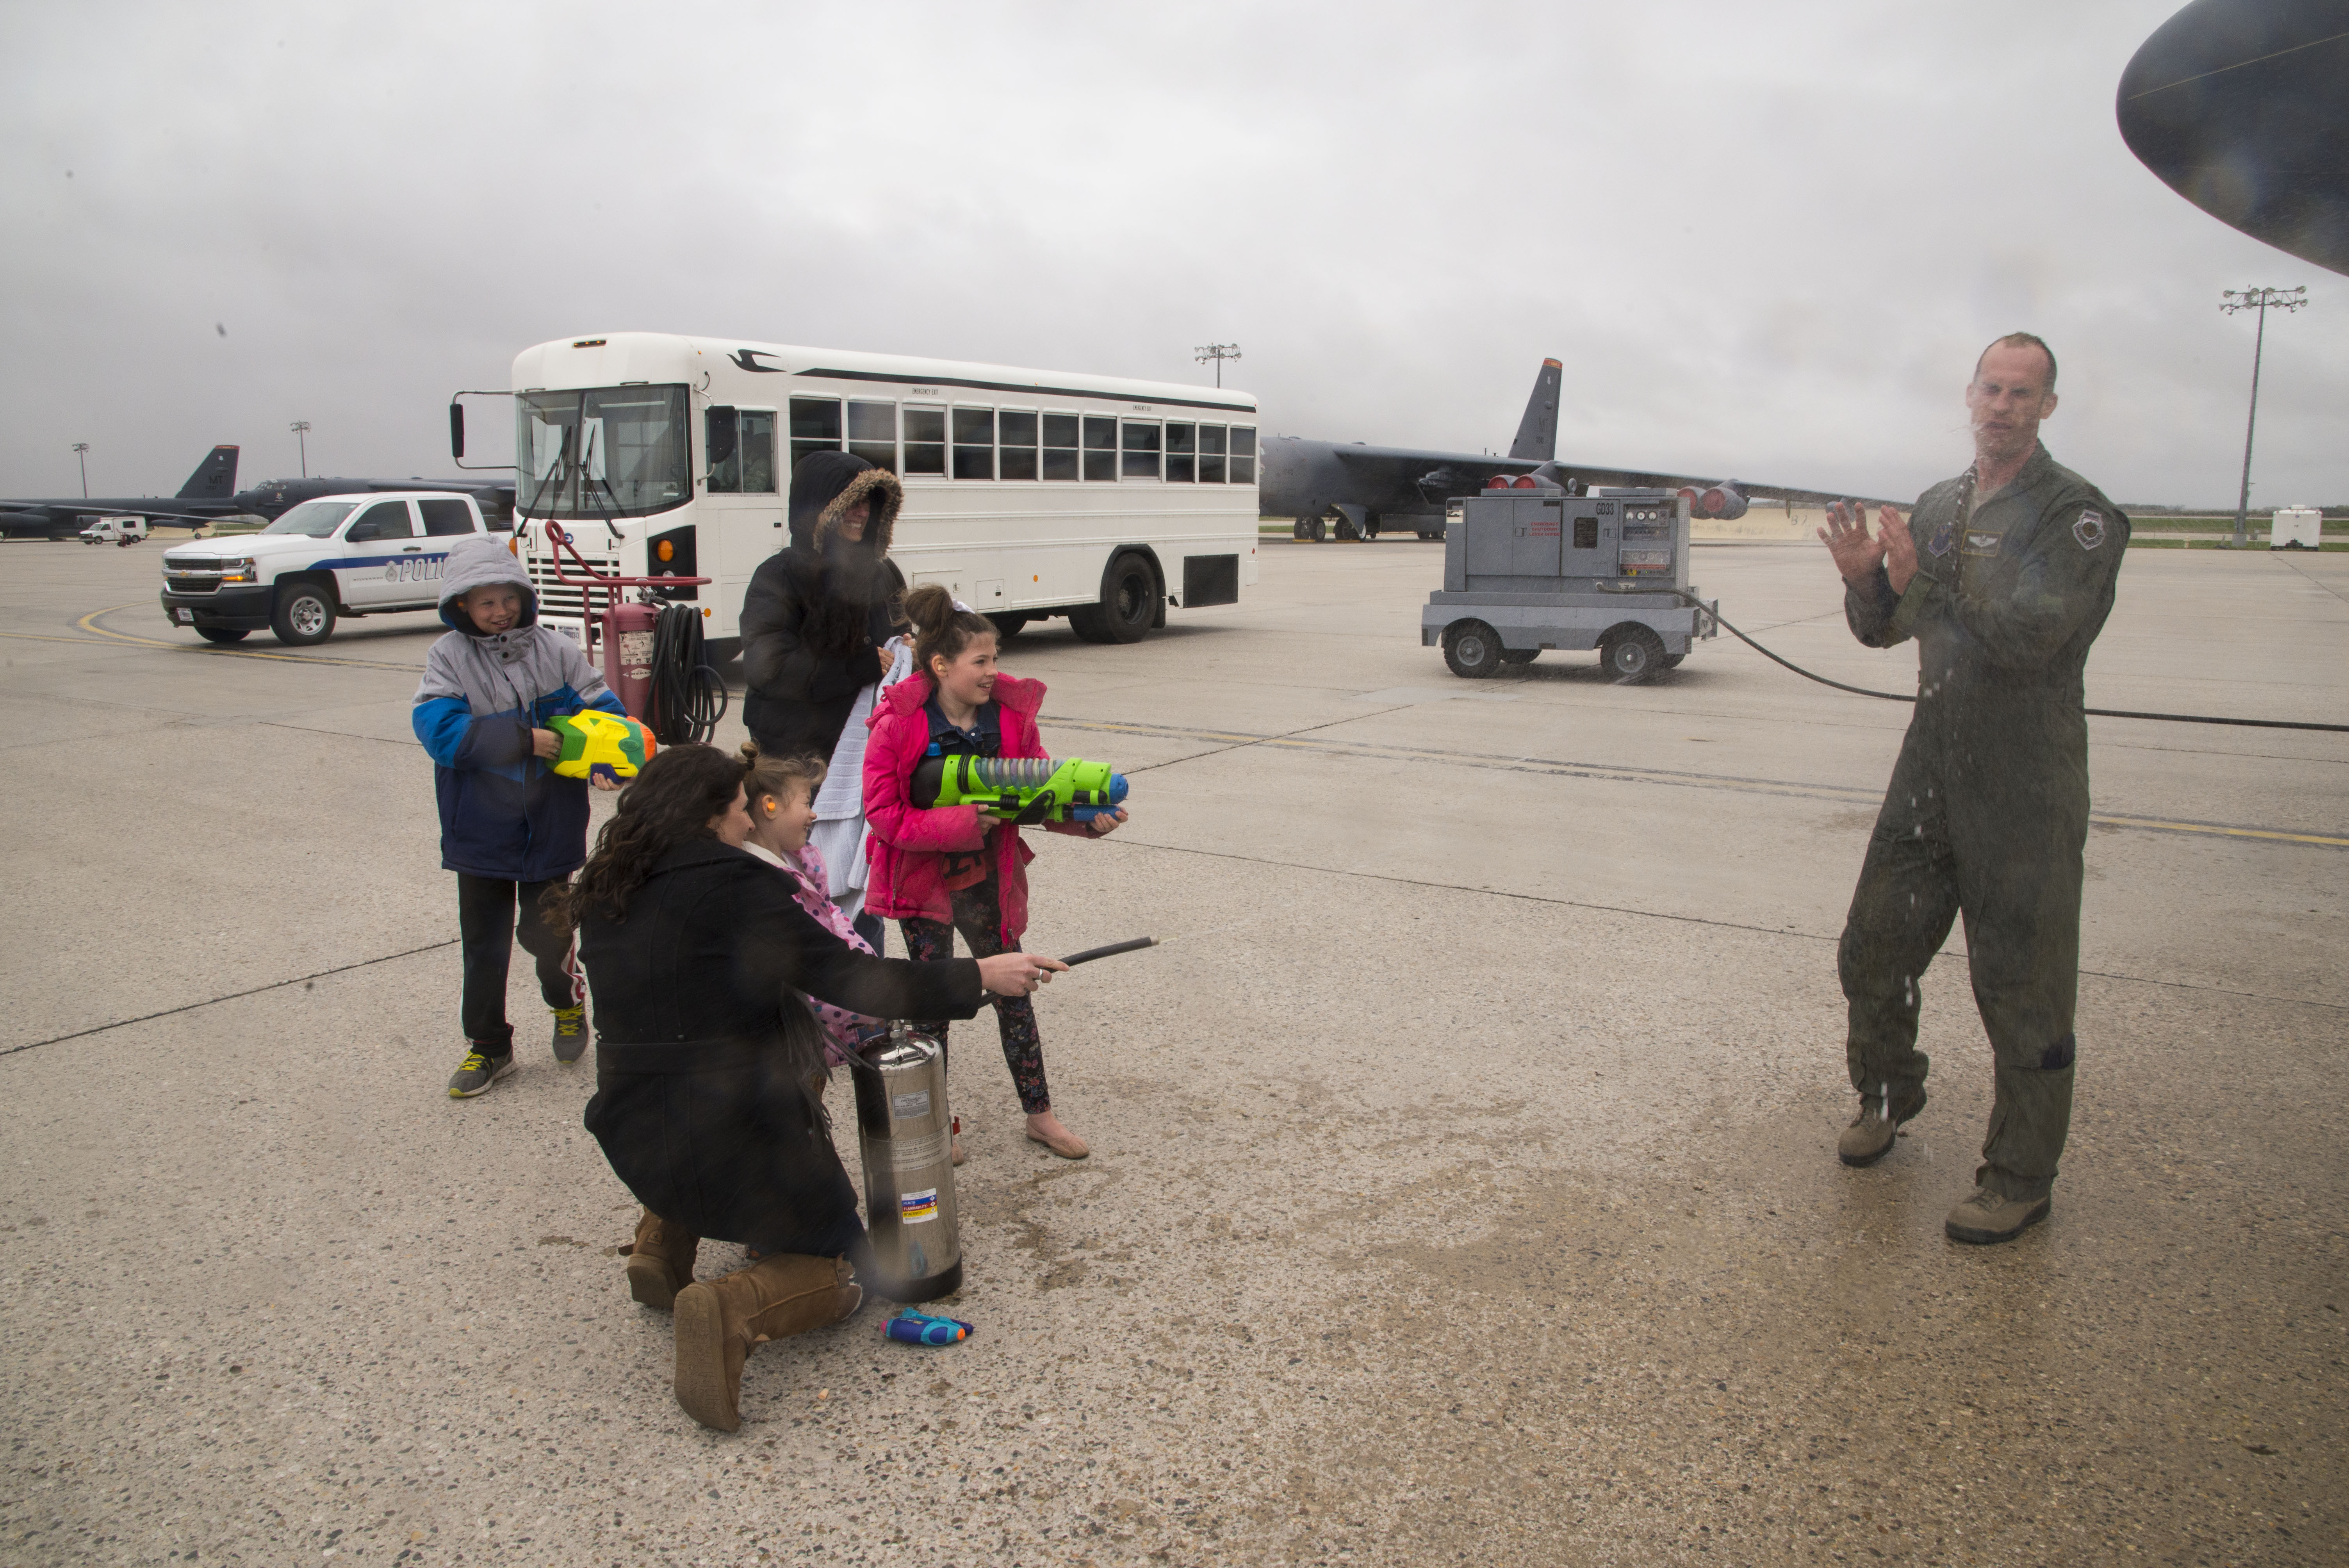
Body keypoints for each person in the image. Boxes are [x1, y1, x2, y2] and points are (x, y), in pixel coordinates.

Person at [555, 743, 1064, 1432]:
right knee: (846, 1271)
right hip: (735, 1131)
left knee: (681, 1122)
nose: (745, 823)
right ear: (709, 817)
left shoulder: (608, 884)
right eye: (739, 811)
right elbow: (853, 982)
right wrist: (981, 976)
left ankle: (661, 1238)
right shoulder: (737, 886)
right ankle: (732, 1308)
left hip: (632, 1131)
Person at [1818, 332, 2129, 1244]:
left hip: (2021, 783)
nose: (2001, 405)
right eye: (1990, 388)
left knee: (2021, 986)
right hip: (1929, 770)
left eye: (2020, 392)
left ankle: (2020, 1174)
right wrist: (1867, 582)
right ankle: (1884, 1095)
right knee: (1873, 947)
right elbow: (1885, 631)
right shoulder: (1939, 503)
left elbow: (2032, 635)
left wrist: (1931, 585)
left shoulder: (2075, 516)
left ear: (2046, 407)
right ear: (1969, 395)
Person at [863, 585, 1129, 1163]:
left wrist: (1089, 821)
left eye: (996, 659)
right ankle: (939, 1125)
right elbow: (884, 818)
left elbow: (1038, 795)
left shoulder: (1008, 719)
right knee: (936, 1005)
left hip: (988, 879)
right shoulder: (898, 723)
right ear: (941, 665)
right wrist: (961, 823)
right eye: (980, 661)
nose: (992, 671)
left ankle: (1041, 1116)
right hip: (924, 886)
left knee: (1015, 990)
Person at [411, 533, 627, 1098]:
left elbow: (606, 713)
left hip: (550, 824)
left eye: (507, 597)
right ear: (462, 606)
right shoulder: (447, 659)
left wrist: (612, 760)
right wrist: (522, 740)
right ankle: (489, 1046)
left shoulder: (557, 650)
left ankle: (566, 1003)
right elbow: (440, 734)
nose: (499, 611)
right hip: (479, 828)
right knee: (484, 944)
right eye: (485, 602)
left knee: (545, 932)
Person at [738, 451, 906, 765]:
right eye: (851, 502)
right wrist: (860, 666)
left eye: (868, 502)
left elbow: (901, 629)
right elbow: (770, 670)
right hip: (796, 748)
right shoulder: (778, 576)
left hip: (868, 739)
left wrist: (909, 648)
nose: (862, 512)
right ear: (818, 509)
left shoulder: (883, 572)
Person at [735, 741, 880, 1066]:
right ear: (770, 807)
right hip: (795, 1036)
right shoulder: (765, 883)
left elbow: (832, 916)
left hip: (830, 1019)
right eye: (806, 802)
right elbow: (802, 969)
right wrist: (869, 998)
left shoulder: (802, 859)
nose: (814, 813)